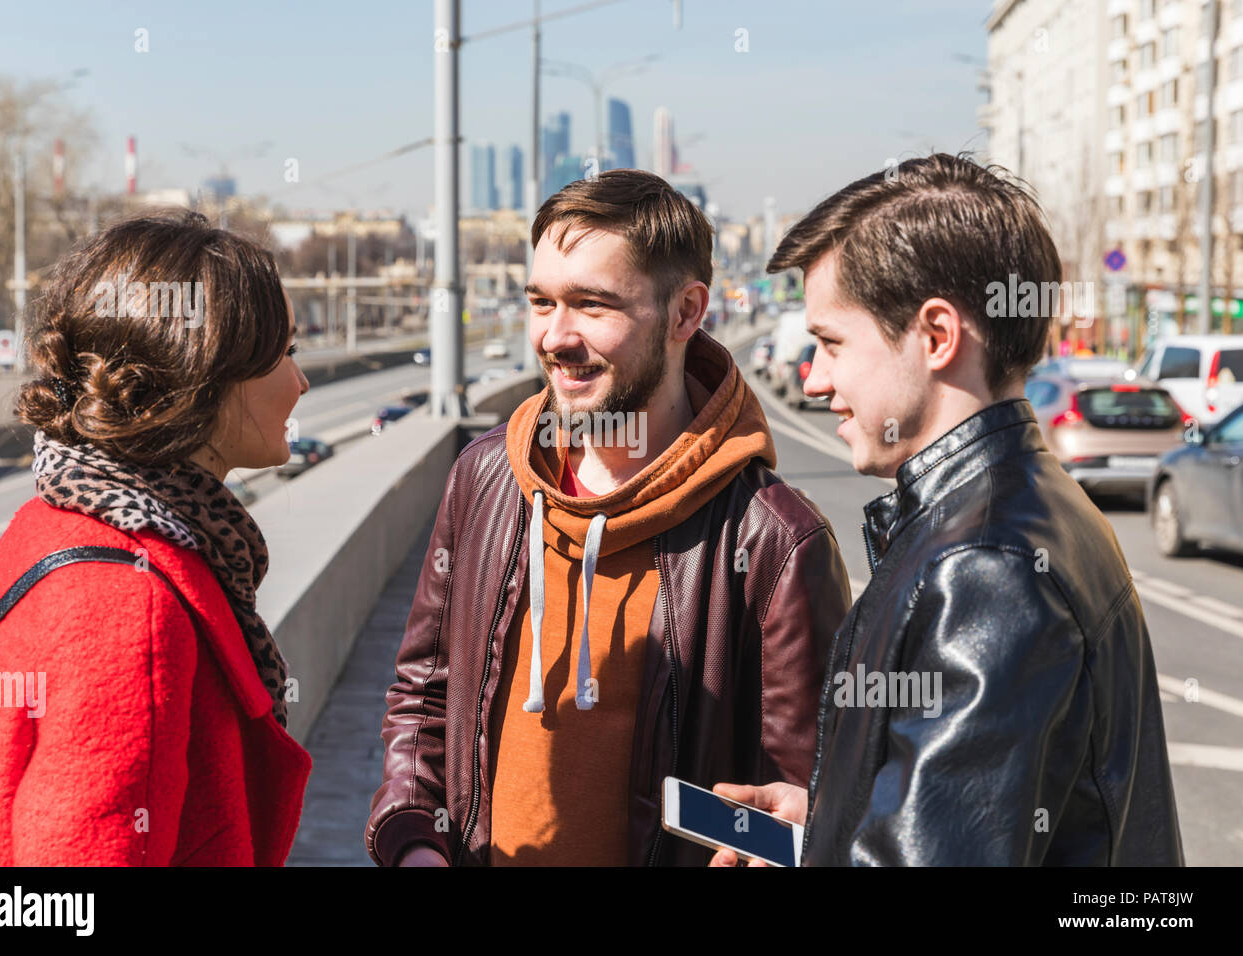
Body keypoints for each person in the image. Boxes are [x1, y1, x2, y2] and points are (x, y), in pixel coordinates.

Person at [366, 169, 852, 866]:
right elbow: (421, 698)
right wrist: (414, 839)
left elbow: (800, 804)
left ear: (686, 314)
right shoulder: (485, 480)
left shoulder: (773, 539)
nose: (555, 337)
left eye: (592, 305)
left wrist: (767, 848)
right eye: (541, 301)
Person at [710, 153, 1183, 866]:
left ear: (936, 335)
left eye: (831, 343)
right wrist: (828, 830)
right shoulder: (1035, 505)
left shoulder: (983, 570)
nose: (814, 380)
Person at [0, 211, 313, 865]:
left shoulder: (55, 518)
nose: (301, 381)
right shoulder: (129, 602)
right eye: (287, 352)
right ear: (211, 378)